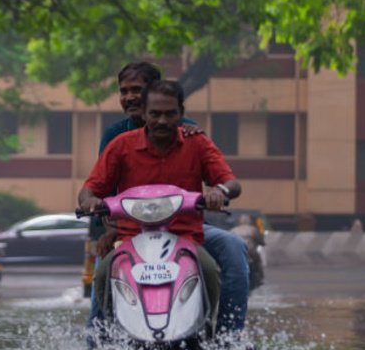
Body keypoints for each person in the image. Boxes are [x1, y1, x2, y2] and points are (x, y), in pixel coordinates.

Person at [88, 62, 252, 334]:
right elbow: (97, 187)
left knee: (230, 250)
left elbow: (227, 180)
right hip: (129, 231)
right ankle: (104, 343)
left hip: (184, 229)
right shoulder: (117, 140)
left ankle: (226, 335)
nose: (130, 97)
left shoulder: (191, 135)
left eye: (136, 91)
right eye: (124, 91)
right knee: (103, 273)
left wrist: (217, 192)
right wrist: (105, 226)